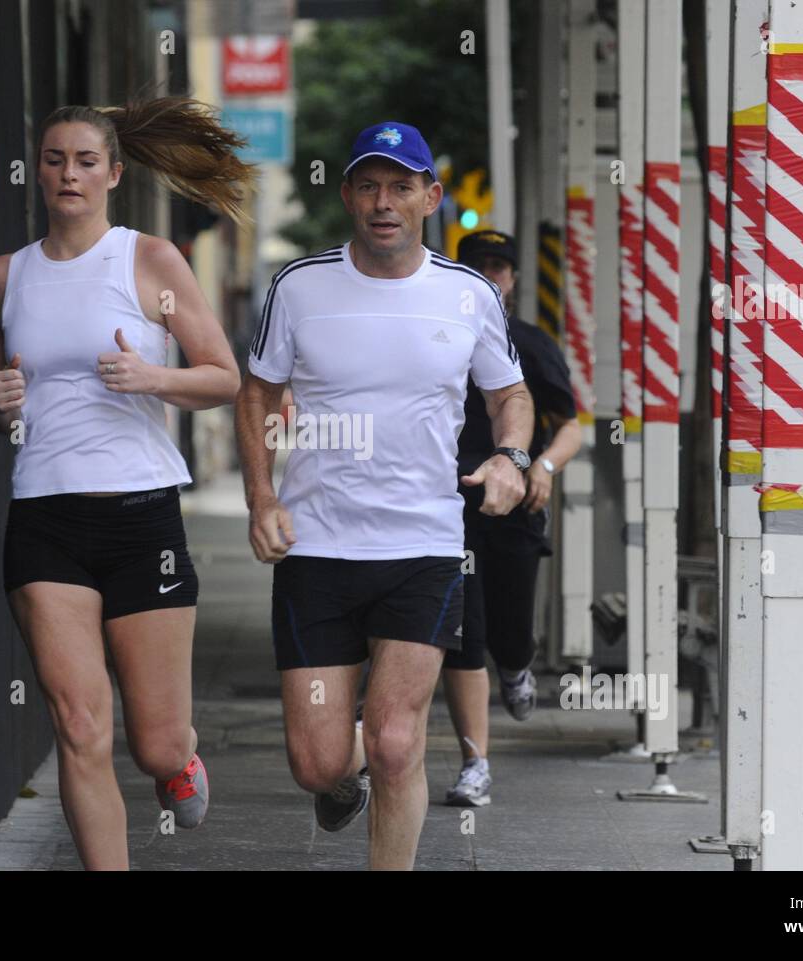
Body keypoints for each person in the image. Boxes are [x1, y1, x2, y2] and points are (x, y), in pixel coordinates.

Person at [235, 122, 535, 870]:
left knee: (397, 742)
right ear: (347, 195)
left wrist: (512, 457)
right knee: (317, 760)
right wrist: (260, 497)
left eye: (402, 186)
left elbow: (512, 395)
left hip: (423, 548)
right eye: (368, 185)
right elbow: (256, 393)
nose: (384, 202)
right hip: (317, 549)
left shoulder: (468, 295)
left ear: (431, 197)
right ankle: (340, 779)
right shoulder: (299, 286)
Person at [0, 98, 252, 870]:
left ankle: (179, 764)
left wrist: (152, 375)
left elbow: (224, 377)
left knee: (155, 741)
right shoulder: (5, 277)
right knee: (79, 723)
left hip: (143, 522)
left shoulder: (150, 260)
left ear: (114, 174)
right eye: (56, 159)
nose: (70, 173)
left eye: (86, 161)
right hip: (44, 520)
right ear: (37, 169)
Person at [440, 229, 582, 807]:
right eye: (479, 266)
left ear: (514, 277)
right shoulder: (441, 333)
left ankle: (518, 668)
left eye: (500, 266)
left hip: (517, 504)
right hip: (450, 506)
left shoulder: (531, 342)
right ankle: (476, 763)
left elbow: (569, 424)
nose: (491, 276)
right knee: (465, 637)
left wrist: (543, 466)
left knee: (511, 632)